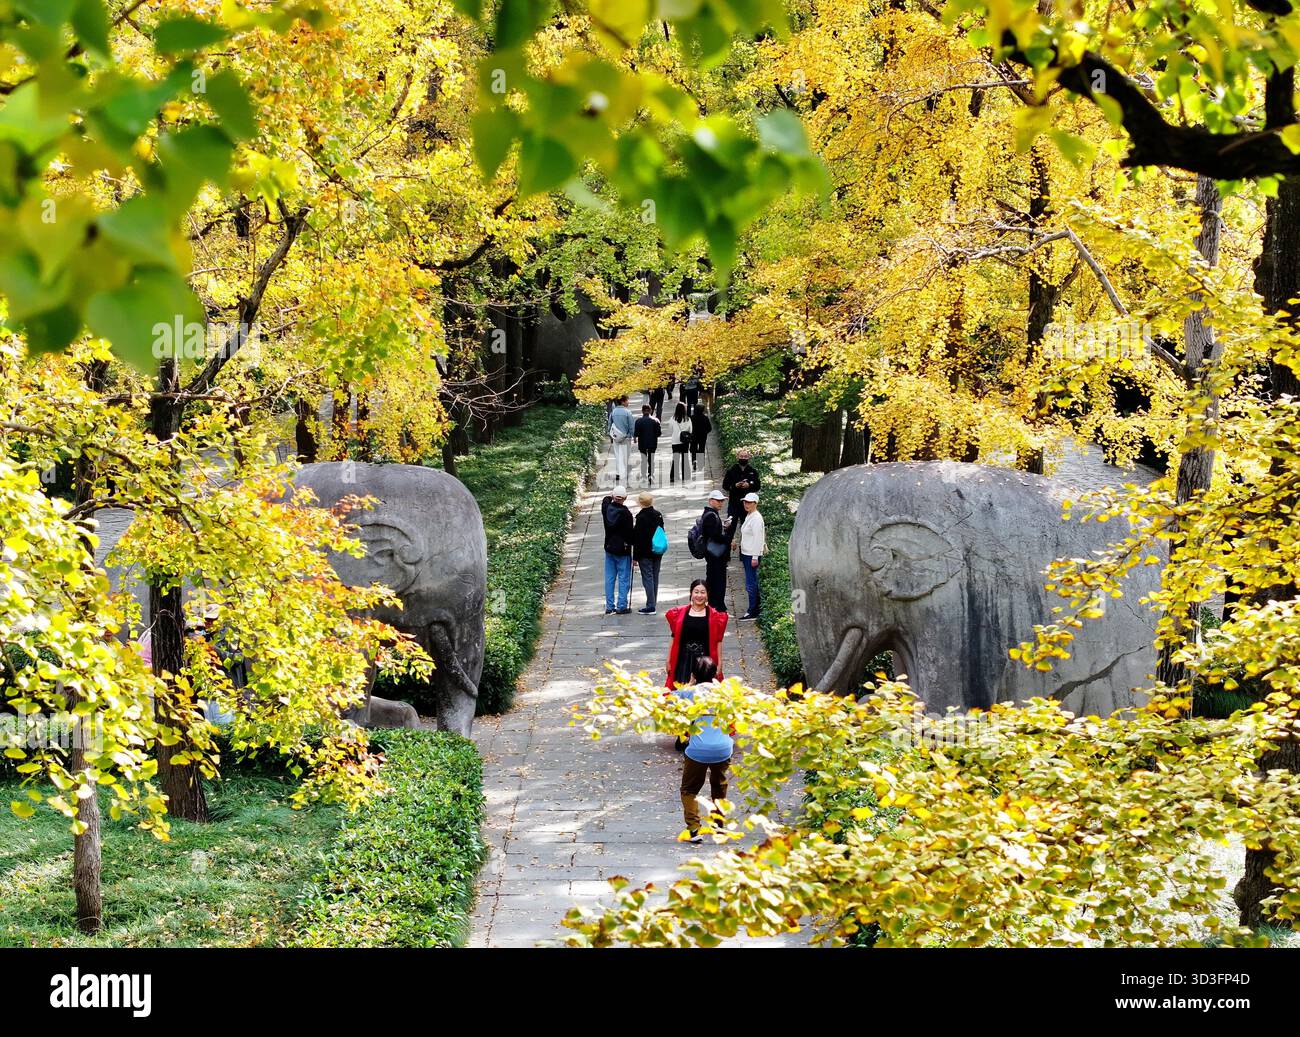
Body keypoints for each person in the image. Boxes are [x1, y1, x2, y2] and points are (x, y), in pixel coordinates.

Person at [673, 654, 732, 843]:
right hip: (723, 749)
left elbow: (666, 701)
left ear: (694, 674)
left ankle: (694, 829)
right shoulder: (726, 693)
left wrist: (689, 686)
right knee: (719, 787)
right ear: (716, 673)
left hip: (697, 750)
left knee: (689, 789)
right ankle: (718, 827)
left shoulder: (690, 693)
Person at [665, 579, 728, 691]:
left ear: (707, 595)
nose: (699, 595)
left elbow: (718, 641)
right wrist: (668, 660)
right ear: (691, 593)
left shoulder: (715, 617)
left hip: (704, 663)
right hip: (683, 661)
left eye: (703, 592)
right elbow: (674, 637)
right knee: (681, 693)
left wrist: (720, 664)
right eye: (696, 592)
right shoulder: (679, 614)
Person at [632, 491, 666, 613]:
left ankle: (651, 605)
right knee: (655, 577)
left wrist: (635, 557)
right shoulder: (658, 515)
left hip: (645, 553)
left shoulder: (641, 518)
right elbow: (662, 532)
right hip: (657, 551)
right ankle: (653, 602)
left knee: (647, 578)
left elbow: (638, 539)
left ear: (640, 503)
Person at [601, 489, 634, 615]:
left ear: (613, 497)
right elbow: (630, 534)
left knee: (609, 578)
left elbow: (605, 499)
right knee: (623, 578)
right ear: (625, 498)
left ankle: (609, 606)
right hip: (623, 550)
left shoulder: (606, 509)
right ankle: (621, 605)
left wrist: (612, 497)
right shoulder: (626, 514)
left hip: (609, 547)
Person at [700, 488, 732, 611]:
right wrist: (728, 536)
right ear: (711, 501)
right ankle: (716, 604)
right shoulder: (711, 516)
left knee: (715, 578)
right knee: (717, 580)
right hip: (715, 554)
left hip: (714, 554)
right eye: (718, 501)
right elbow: (715, 536)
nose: (721, 503)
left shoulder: (711, 514)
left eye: (722, 501)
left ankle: (716, 603)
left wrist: (723, 526)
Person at [737, 492, 766, 620]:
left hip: (751, 555)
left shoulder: (756, 518)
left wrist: (755, 557)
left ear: (755, 503)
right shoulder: (749, 515)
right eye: (745, 502)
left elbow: (758, 539)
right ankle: (755, 608)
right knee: (751, 582)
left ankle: (753, 610)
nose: (746, 504)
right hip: (746, 553)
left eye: (749, 502)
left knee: (751, 583)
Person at [721, 447, 762, 537]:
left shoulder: (753, 471)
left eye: (745, 456)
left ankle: (743, 549)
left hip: (748, 505)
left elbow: (757, 486)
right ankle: (727, 545)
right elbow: (725, 486)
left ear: (748, 458)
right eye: (741, 456)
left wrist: (749, 486)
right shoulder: (731, 471)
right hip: (734, 504)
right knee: (730, 527)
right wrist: (735, 486)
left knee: (747, 528)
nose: (743, 458)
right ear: (737, 457)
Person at [608, 395, 635, 485]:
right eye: (627, 400)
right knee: (626, 455)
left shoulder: (613, 412)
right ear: (623, 401)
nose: (628, 402)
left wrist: (610, 436)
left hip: (616, 437)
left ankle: (619, 473)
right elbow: (631, 426)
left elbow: (609, 424)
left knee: (618, 454)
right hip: (626, 437)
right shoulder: (628, 412)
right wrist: (633, 436)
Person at [633, 404, 661, 485]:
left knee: (644, 459)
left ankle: (644, 475)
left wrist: (635, 439)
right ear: (651, 410)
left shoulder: (638, 421)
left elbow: (636, 433)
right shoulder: (655, 421)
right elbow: (659, 433)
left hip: (642, 443)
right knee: (651, 459)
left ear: (642, 411)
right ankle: (650, 475)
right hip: (652, 443)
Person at [665, 402, 692, 483]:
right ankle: (685, 476)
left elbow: (670, 430)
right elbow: (691, 430)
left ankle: (673, 476)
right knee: (685, 459)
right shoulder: (688, 419)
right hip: (685, 442)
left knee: (675, 459)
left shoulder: (672, 419)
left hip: (675, 441)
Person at [690, 403, 712, 473]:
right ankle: (700, 464)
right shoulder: (705, 418)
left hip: (693, 436)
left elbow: (689, 427)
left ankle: (694, 460)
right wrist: (705, 432)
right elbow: (709, 428)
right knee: (701, 449)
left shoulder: (691, 417)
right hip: (702, 436)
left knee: (694, 448)